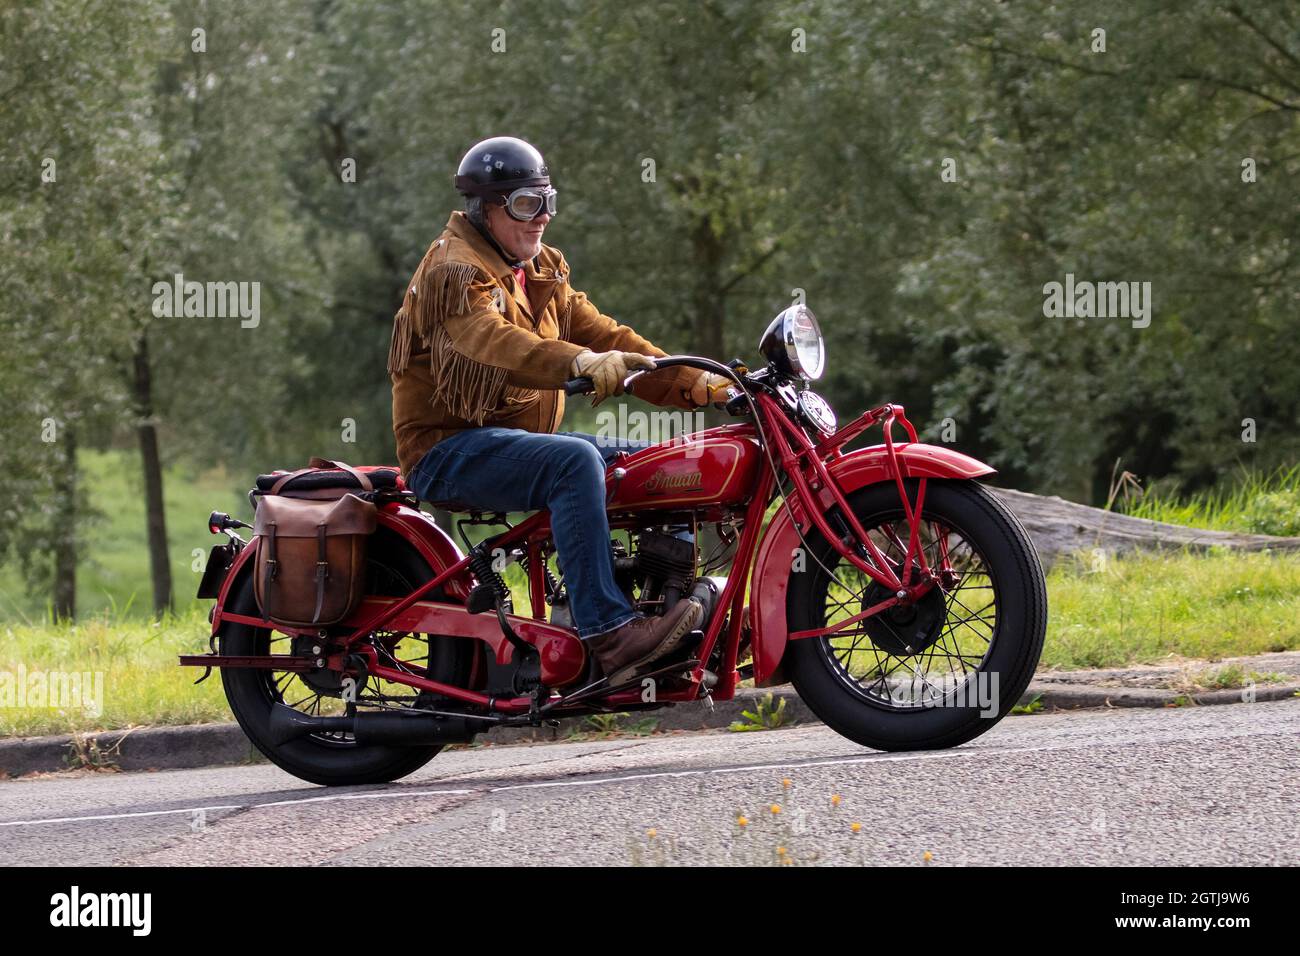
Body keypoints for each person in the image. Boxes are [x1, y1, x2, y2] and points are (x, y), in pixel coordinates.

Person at [388, 136, 728, 684]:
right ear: (486, 208)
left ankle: (666, 623)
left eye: (548, 200)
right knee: (574, 463)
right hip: (448, 451)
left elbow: (604, 331)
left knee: (667, 466)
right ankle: (611, 635)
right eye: (527, 204)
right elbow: (491, 339)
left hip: (505, 445)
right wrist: (582, 361)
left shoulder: (536, 267)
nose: (542, 217)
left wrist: (702, 382)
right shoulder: (454, 271)